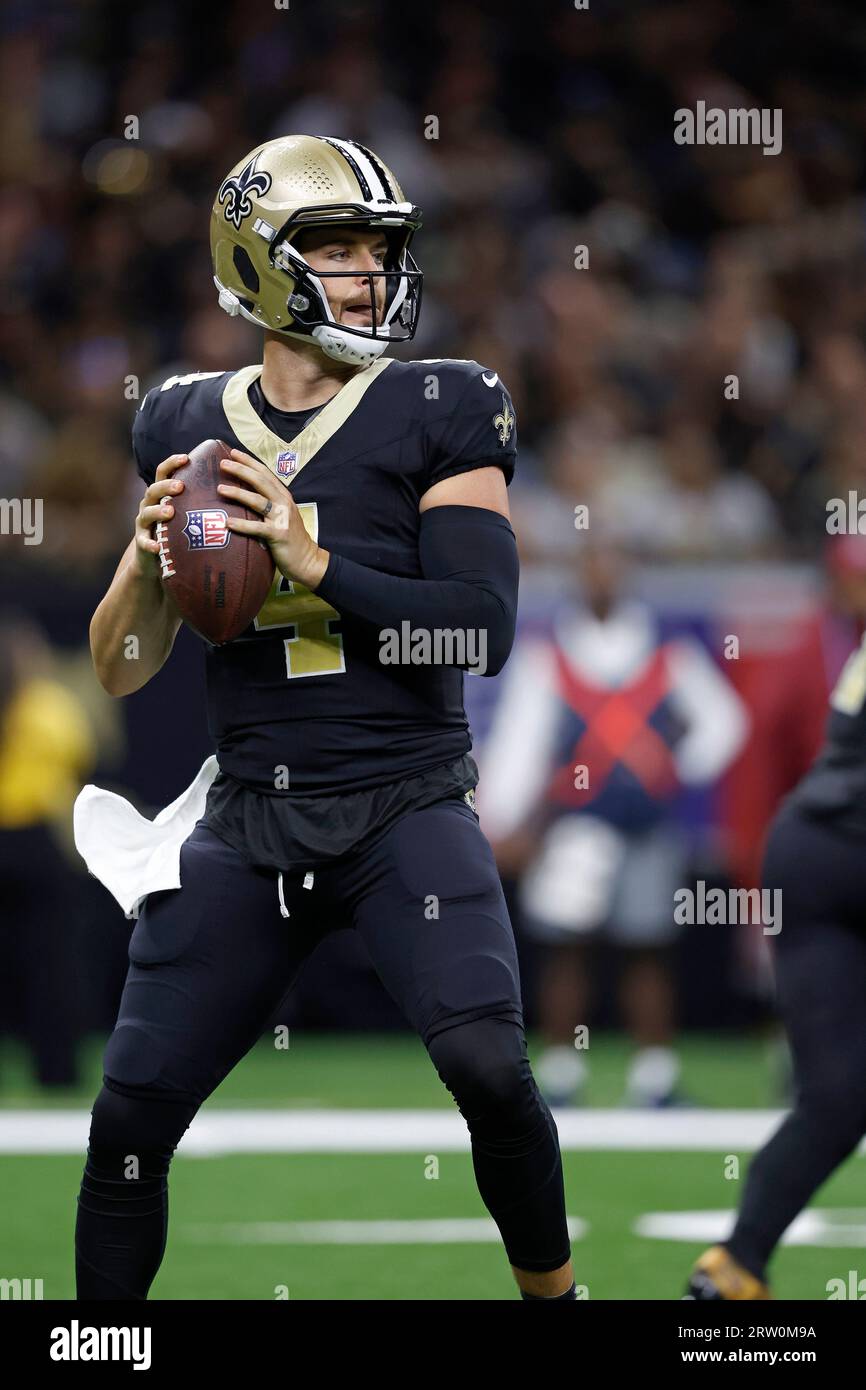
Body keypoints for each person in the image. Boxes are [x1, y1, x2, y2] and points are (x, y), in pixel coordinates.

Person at [75, 135, 575, 1301]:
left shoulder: (440, 401)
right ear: (258, 262)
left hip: (403, 798)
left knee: (490, 1067)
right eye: (337, 249)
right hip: (250, 816)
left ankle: (556, 1302)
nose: (367, 274)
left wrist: (312, 556)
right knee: (131, 1106)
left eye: (378, 250)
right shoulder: (183, 420)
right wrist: (149, 565)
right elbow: (122, 667)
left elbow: (475, 629)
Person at [685, 537, 866, 1299]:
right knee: (836, 1095)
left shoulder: (833, 648)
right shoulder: (806, 651)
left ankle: (736, 1263)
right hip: (829, 860)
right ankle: (741, 1259)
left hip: (814, 849)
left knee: (836, 1097)